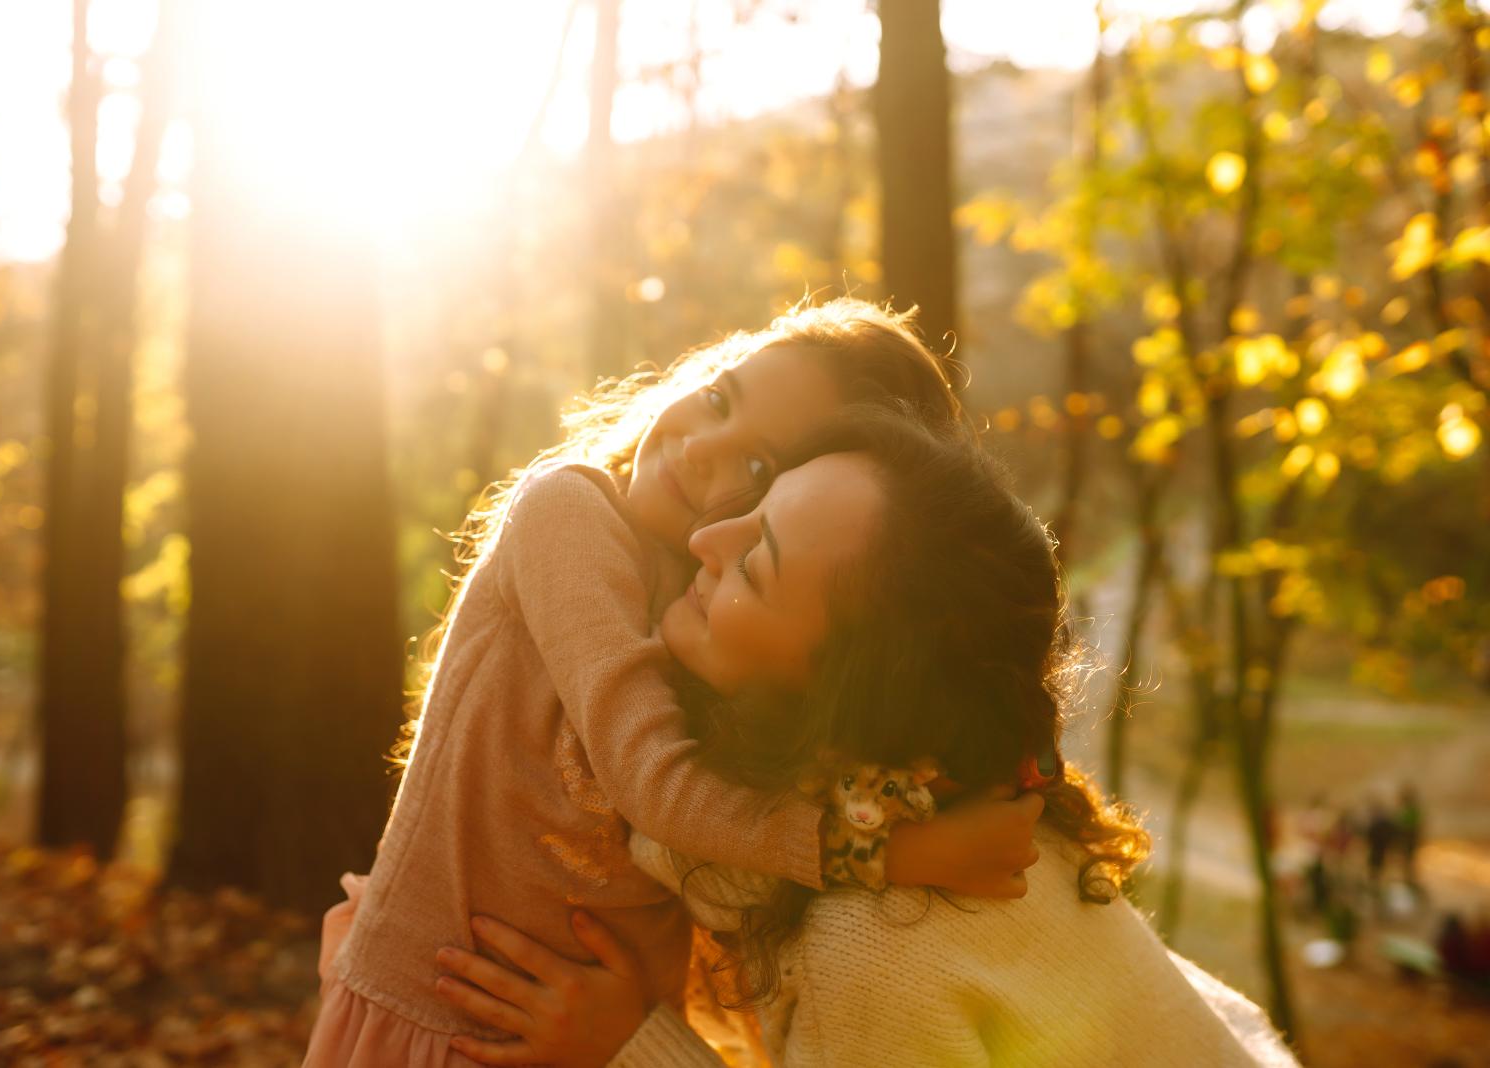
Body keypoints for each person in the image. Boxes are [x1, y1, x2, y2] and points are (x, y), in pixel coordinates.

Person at [303, 301, 1045, 1067]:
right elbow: (651, 782)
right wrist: (891, 851)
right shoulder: (568, 513)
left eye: (757, 469)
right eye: (719, 398)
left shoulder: (715, 625)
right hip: (446, 1023)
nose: (699, 448)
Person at [435, 411, 1300, 1067]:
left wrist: (631, 1045)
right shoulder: (966, 812)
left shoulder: (875, 942)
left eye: (755, 566)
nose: (705, 538)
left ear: (827, 702)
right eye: (755, 506)